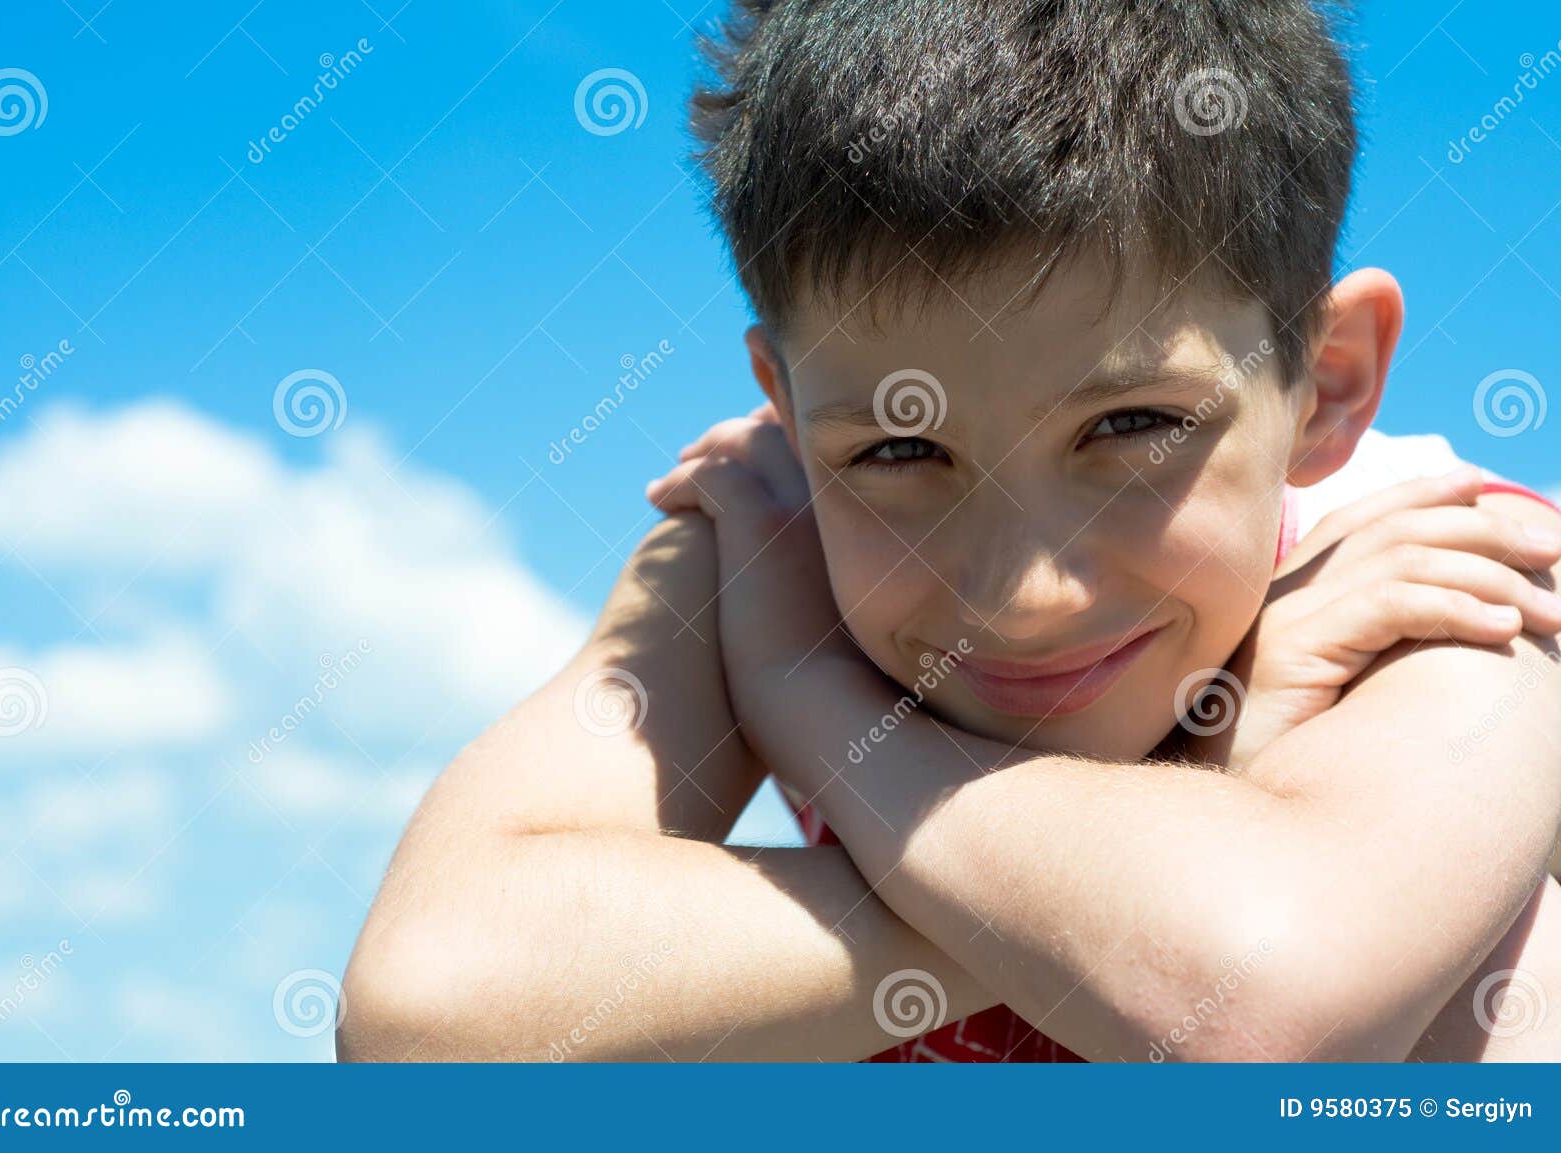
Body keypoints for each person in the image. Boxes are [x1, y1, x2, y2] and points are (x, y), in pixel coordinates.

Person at [338, 0, 1561, 1062]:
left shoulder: (1450, 574)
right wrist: (1189, 803)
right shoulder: (768, 529)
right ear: (784, 401)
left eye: (1132, 424)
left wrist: (808, 694)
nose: (1018, 589)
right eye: (900, 450)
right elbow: (424, 1013)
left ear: (1327, 380)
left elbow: (1248, 1016)